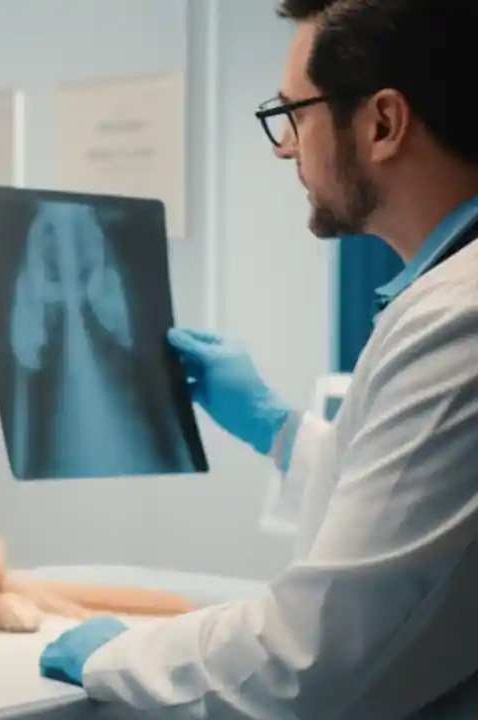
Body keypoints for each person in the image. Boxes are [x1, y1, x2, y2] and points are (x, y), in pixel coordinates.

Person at [37, 0, 478, 717]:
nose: (284, 149)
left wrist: (118, 656)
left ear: (382, 124)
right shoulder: (447, 300)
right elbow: (415, 520)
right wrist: (277, 430)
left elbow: (310, 661)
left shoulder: (459, 320)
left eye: (294, 115)